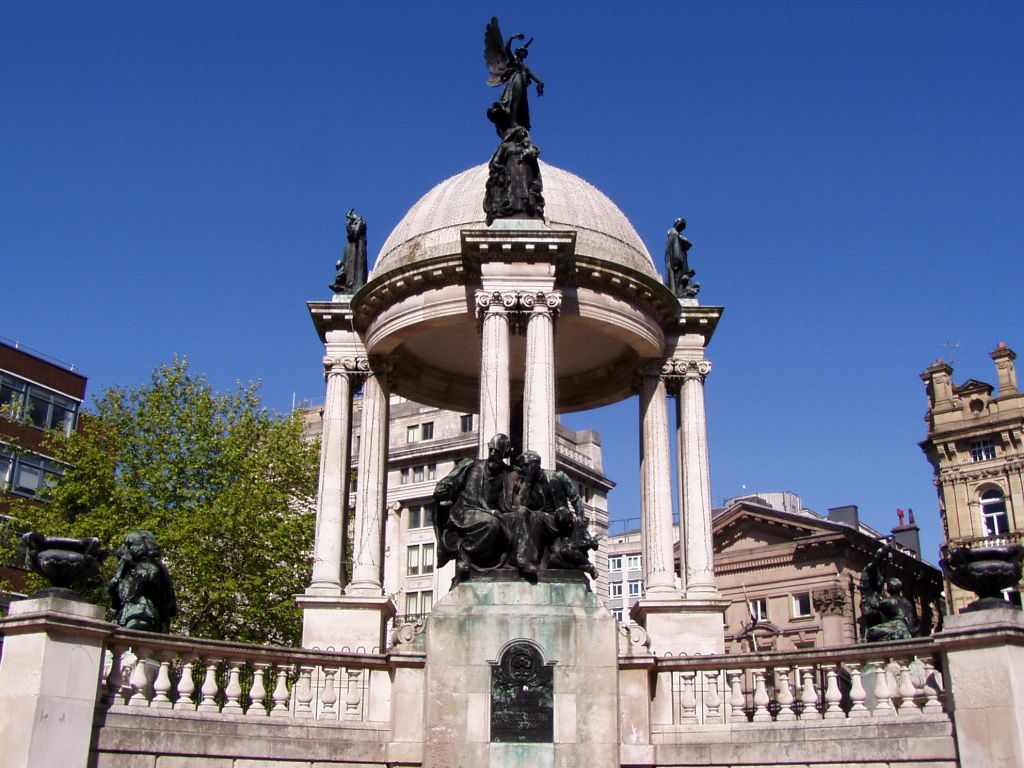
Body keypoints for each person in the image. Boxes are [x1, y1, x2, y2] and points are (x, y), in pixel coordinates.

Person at [433, 433, 516, 581]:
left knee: (517, 519)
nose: (492, 454)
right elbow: (450, 481)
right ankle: (464, 554)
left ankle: (517, 564)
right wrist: (443, 488)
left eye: (497, 451)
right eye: (490, 449)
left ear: (505, 453)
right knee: (491, 524)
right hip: (465, 511)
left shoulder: (509, 474)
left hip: (491, 512)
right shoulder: (471, 465)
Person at [484, 18, 545, 137]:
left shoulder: (524, 67)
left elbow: (533, 76)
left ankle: (516, 122)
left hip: (522, 84)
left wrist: (540, 82)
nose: (523, 54)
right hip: (515, 81)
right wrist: (512, 38)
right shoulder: (512, 61)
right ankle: (512, 122)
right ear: (517, 52)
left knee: (520, 103)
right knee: (514, 101)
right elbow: (506, 49)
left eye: (524, 53)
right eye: (522, 51)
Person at [109, 530, 177, 633]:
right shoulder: (157, 568)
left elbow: (129, 597)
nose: (127, 550)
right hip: (146, 619)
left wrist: (122, 567)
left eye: (129, 546)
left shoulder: (146, 568)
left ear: (141, 547)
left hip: (140, 618)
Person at [330, 209, 367, 294]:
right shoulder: (353, 224)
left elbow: (355, 234)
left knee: (353, 269)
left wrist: (349, 223)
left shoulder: (360, 221)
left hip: (356, 249)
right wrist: (349, 223)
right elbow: (351, 233)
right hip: (350, 248)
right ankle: (346, 285)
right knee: (348, 268)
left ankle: (351, 286)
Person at [665, 218, 699, 298]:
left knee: (681, 276)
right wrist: (678, 259)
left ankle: (683, 290)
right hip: (677, 260)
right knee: (678, 277)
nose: (682, 228)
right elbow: (675, 250)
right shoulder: (674, 233)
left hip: (680, 258)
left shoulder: (676, 234)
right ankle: (680, 292)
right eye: (681, 226)